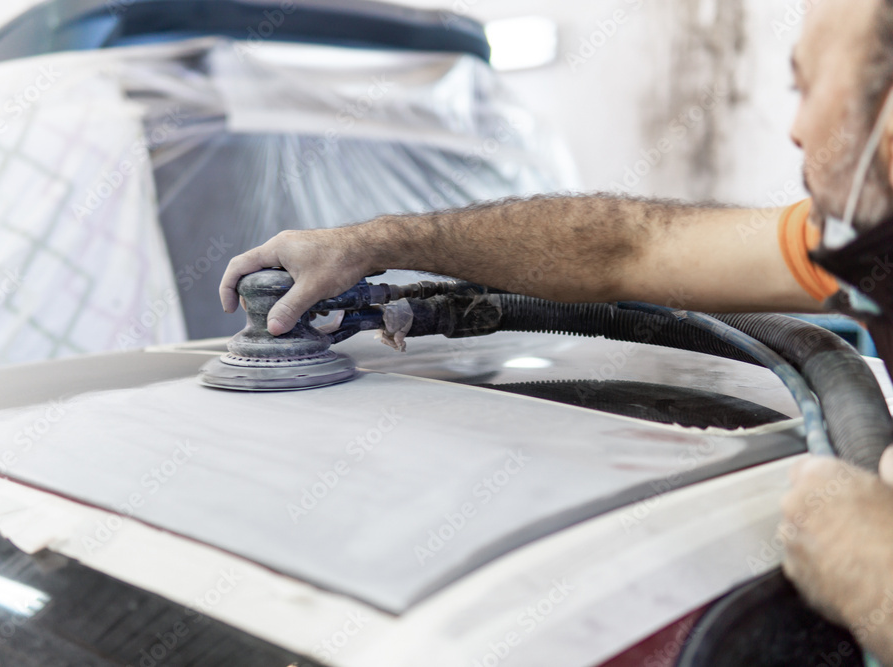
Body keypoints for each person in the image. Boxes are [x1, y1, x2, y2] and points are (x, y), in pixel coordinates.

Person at [221, 0, 893, 659]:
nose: (796, 128)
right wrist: (371, 244)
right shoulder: (856, 244)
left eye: (806, 87)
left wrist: (873, 570)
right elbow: (626, 249)